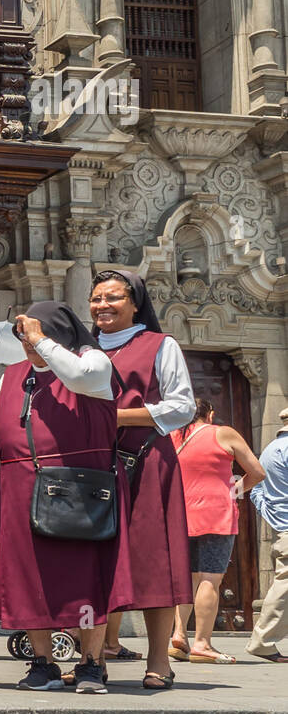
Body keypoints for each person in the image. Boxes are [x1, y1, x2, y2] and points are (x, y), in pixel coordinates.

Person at [0, 302, 132, 695]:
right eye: (23, 336)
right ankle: (43, 662)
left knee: (86, 576)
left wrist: (39, 339)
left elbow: (78, 376)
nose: (26, 344)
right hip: (23, 488)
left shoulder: (93, 362)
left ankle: (91, 664)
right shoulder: (15, 375)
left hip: (81, 489)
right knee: (31, 578)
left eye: (32, 334)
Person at [89, 269, 196, 690]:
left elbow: (181, 406)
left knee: (154, 562)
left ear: (135, 302)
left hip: (146, 458)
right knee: (92, 563)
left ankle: (158, 661)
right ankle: (91, 659)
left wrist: (113, 417)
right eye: (96, 298)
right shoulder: (81, 348)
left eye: (113, 297)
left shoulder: (159, 345)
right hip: (92, 464)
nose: (103, 305)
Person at [170, 398, 265, 664]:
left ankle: (179, 635)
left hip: (179, 514)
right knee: (209, 578)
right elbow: (257, 472)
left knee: (185, 578)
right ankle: (202, 642)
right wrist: (234, 491)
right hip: (216, 514)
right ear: (210, 415)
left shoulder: (172, 435)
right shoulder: (223, 432)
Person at [247, 407, 288, 661]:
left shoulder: (269, 451)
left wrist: (275, 517)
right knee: (284, 586)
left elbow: (255, 492)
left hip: (283, 525)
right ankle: (263, 640)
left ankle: (264, 640)